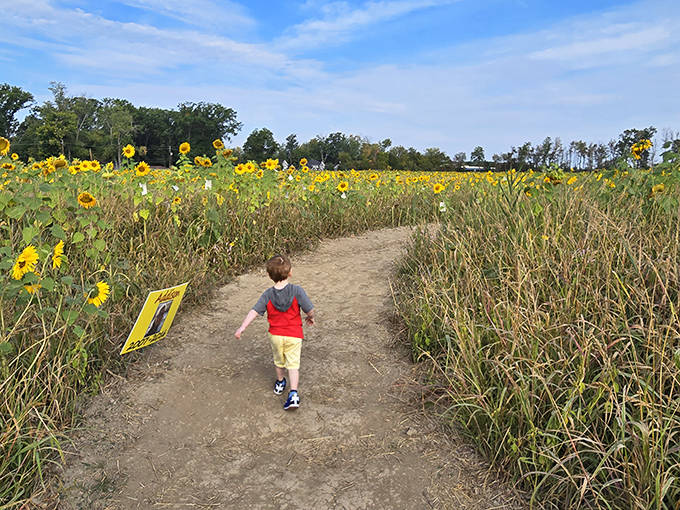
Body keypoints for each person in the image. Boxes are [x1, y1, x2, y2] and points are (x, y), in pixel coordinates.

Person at [234, 254, 315, 410]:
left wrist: (242, 327)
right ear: (290, 272)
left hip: (276, 335)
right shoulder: (297, 291)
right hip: (294, 335)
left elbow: (255, 311)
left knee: (279, 360)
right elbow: (309, 309)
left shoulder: (267, 294)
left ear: (269, 275)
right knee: (293, 365)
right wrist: (310, 317)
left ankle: (280, 382)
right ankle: (293, 394)